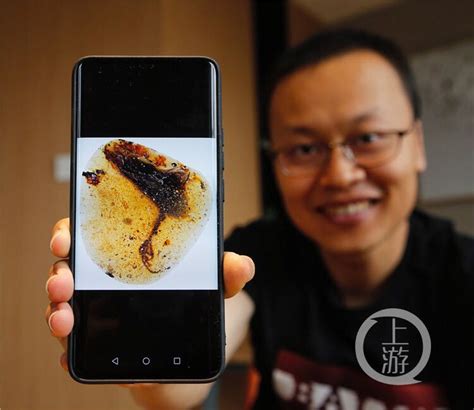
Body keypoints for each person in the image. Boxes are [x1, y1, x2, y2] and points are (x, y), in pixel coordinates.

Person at [45, 29, 474, 409]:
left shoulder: (464, 274)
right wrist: (152, 371)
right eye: (304, 149)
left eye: (368, 137)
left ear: (417, 144)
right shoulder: (259, 252)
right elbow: (182, 384)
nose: (340, 176)